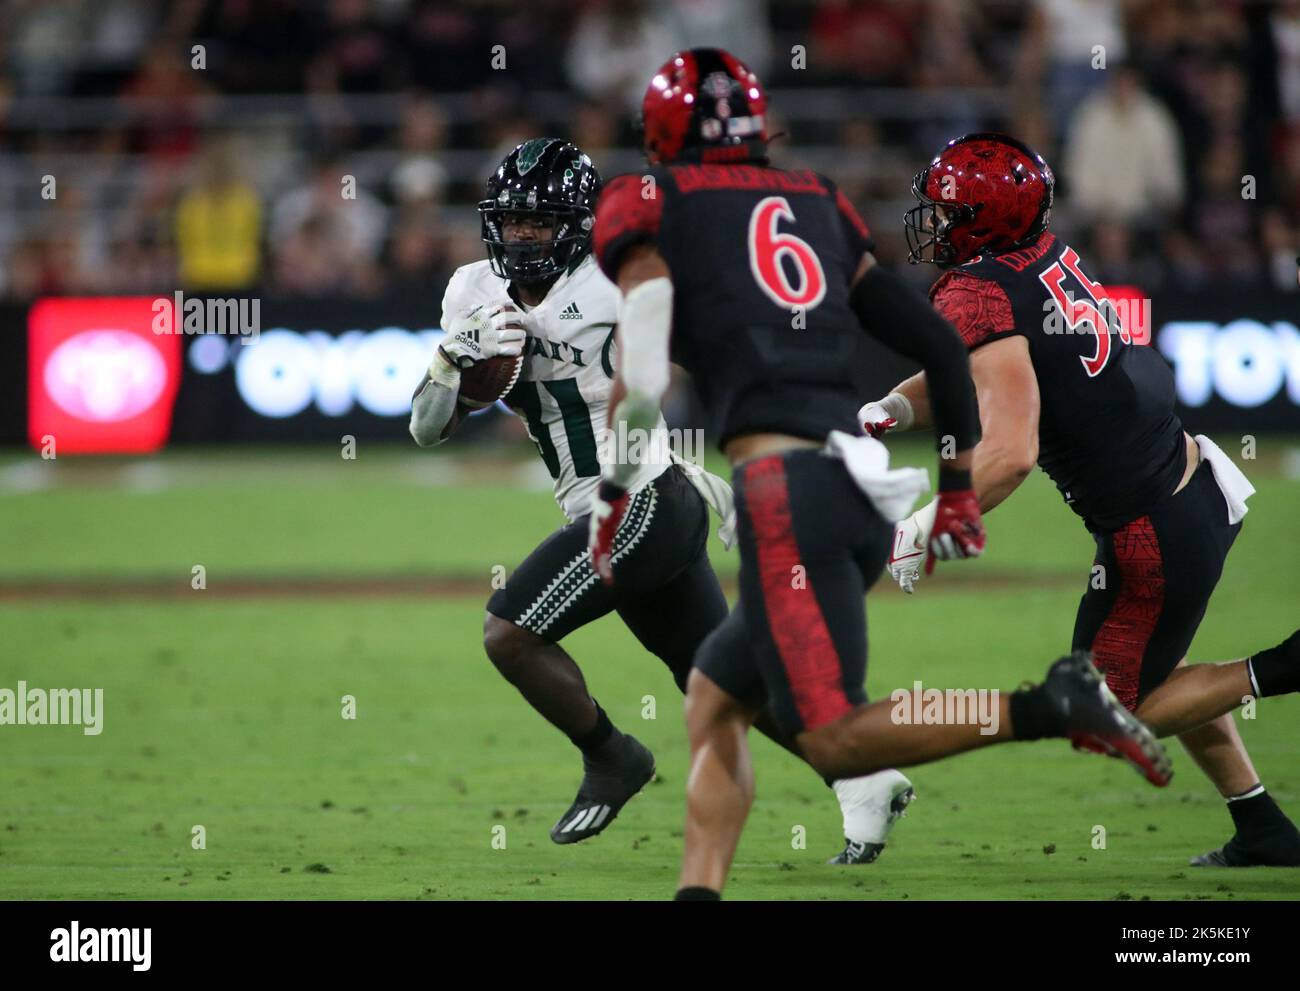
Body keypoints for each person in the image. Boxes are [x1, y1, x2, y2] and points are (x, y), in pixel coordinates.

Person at [588, 50, 1171, 901]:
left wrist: (614, 492)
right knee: (714, 698)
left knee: (833, 737)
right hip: (856, 486)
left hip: (787, 493)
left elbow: (640, 374)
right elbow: (936, 347)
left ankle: (1047, 704)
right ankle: (697, 891)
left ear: (662, 135)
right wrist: (957, 485)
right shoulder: (816, 198)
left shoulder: (650, 201)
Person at [409, 138, 917, 857]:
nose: (523, 237)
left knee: (510, 632)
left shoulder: (618, 281)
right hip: (620, 510)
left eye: (539, 222)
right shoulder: (470, 291)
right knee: (715, 671)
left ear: (578, 225)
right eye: (514, 221)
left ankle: (612, 755)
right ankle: (860, 773)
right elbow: (429, 428)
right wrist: (449, 360)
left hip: (644, 497)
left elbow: (716, 348)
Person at [860, 131, 1300, 868]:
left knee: (1105, 705)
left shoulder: (979, 286)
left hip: (1153, 529)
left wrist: (922, 525)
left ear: (985, 217)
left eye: (945, 209)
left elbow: (1010, 451)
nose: (930, 223)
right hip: (1189, 488)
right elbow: (991, 369)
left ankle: (1286, 667)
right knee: (1154, 668)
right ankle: (1262, 825)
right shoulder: (1039, 256)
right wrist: (891, 410)